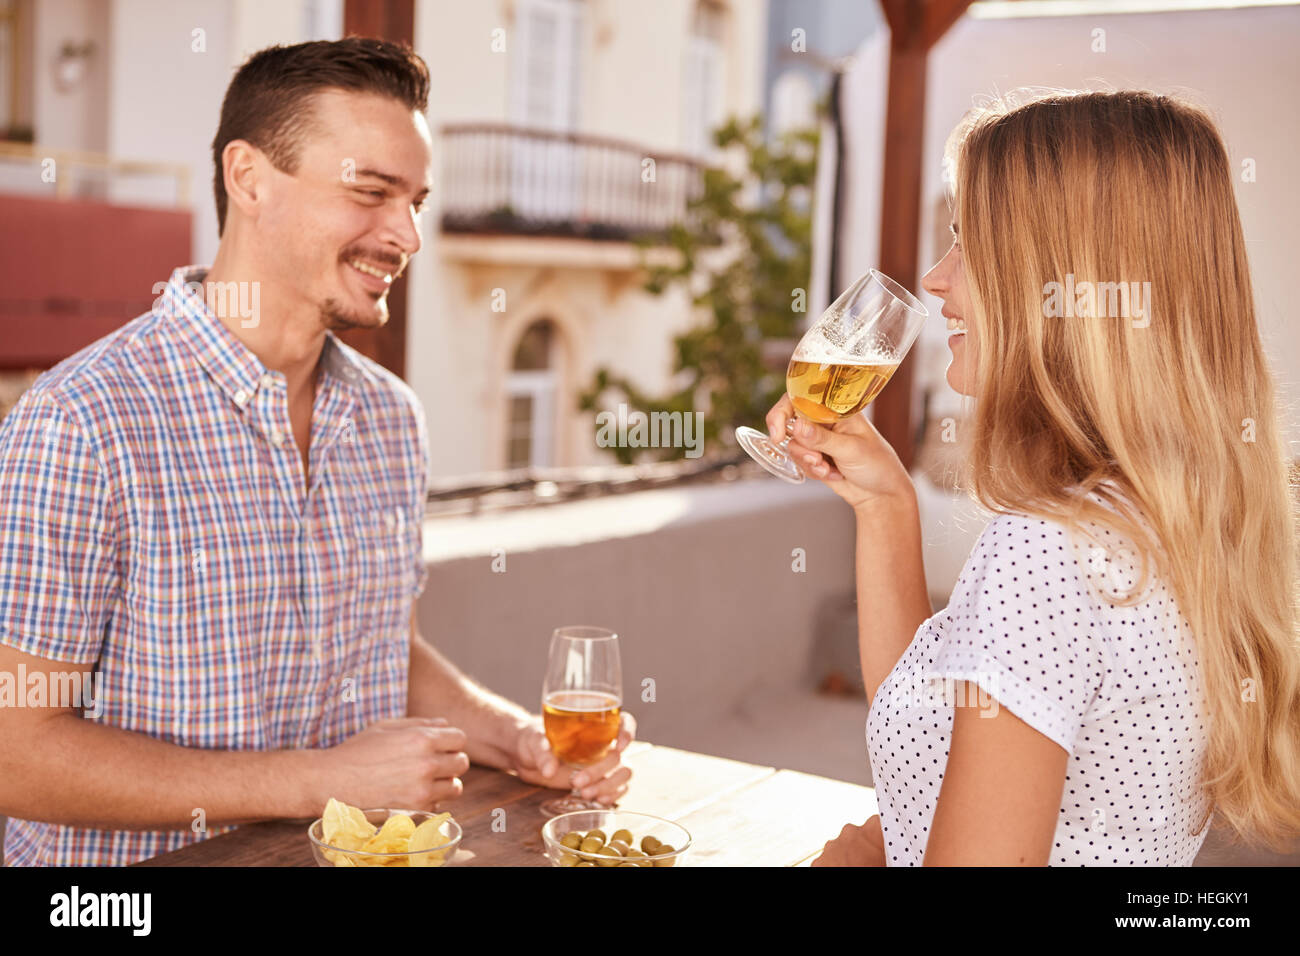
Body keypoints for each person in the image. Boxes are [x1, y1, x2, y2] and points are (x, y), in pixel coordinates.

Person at [0, 37, 633, 867]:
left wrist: (513, 737)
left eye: (415, 200)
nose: (405, 232)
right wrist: (319, 782)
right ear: (249, 178)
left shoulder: (390, 419)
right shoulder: (82, 422)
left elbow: (379, 645)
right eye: (371, 191)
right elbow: (16, 750)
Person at [777, 89, 1300, 865]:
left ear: (1065, 286)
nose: (935, 277)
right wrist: (884, 503)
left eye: (968, 242)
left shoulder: (1046, 551)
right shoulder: (1170, 516)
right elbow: (940, 724)